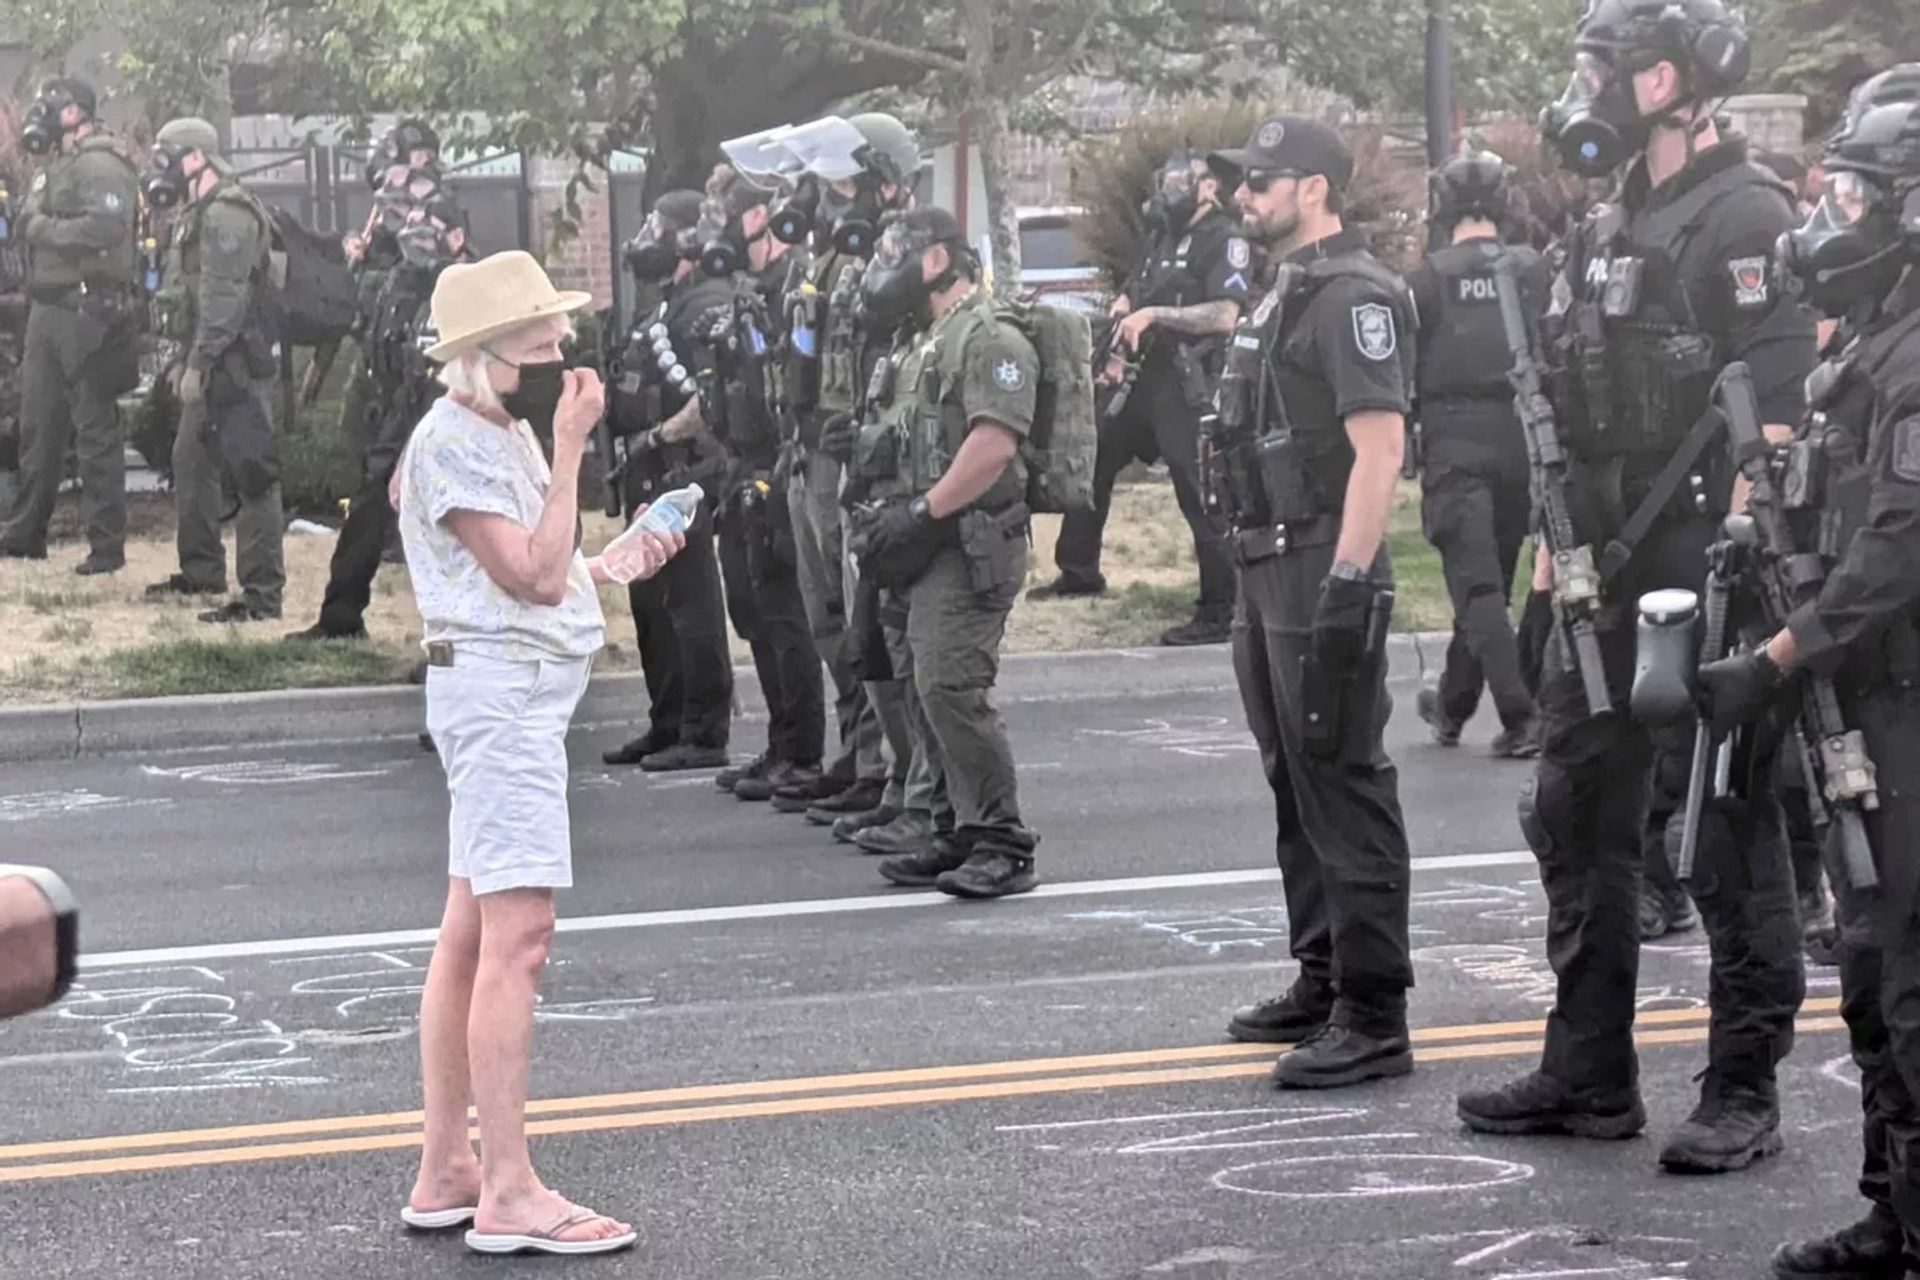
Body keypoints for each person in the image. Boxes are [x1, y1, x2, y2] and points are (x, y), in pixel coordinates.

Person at [1455, 0, 1812, 1174]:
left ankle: (1742, 1085)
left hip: (1705, 560)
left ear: (1669, 81)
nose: (1583, 87)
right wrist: (1559, 545)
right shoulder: (1614, 219)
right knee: (1573, 809)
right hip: (1597, 567)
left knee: (1718, 825)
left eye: (1600, 66)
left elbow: (1775, 410)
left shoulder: (1747, 213)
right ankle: (1588, 1067)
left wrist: (1743, 576)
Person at [396, 249, 680, 1257]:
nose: (563, 350)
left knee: (471, 929)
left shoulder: (487, 428)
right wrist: (570, 452)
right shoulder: (463, 441)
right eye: (543, 336)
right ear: (488, 352)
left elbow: (548, 564)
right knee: (519, 937)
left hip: (509, 696)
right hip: (501, 706)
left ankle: (448, 1166)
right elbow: (526, 573)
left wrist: (613, 558)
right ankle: (509, 1188)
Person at [1691, 88, 1920, 1280]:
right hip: (1864, 694)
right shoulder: (1872, 342)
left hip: (1902, 694)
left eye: (1857, 194)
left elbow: (1898, 550)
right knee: (1875, 969)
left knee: (1910, 963)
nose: (1832, 216)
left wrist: (1778, 657)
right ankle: (1895, 1213)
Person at [1202, 116, 1417, 1088]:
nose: (1244, 196)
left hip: (1317, 563)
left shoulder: (1353, 295)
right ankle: (1323, 973)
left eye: (1262, 181)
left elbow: (1380, 449)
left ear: (1316, 189)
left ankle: (1373, 1010)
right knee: (1294, 777)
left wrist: (1346, 580)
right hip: (1264, 563)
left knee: (1341, 777)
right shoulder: (1287, 289)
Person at [848, 207, 1039, 899]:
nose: (882, 267)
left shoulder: (987, 336)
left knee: (950, 687)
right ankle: (952, 825)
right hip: (918, 547)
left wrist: (926, 512)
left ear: (936, 260)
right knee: (917, 685)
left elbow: (994, 442)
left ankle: (1001, 839)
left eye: (895, 251)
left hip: (967, 542)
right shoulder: (921, 341)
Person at [761, 114, 923, 823]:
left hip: (856, 453)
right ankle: (860, 754)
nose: (830, 198)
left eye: (844, 183)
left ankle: (897, 769)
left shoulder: (906, 252)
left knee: (866, 620)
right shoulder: (821, 257)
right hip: (809, 444)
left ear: (885, 185)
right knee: (826, 612)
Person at [1033, 149, 1248, 646]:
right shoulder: (1161, 234)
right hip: (1142, 376)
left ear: (1208, 188)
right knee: (1095, 458)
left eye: (1179, 181)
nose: (1167, 190)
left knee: (1197, 487)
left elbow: (1224, 315)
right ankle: (1079, 570)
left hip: (1189, 379)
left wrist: (1153, 317)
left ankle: (1221, 607)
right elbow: (1137, 287)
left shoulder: (1225, 239)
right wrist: (1127, 304)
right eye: (1165, 179)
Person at [659, 166, 825, 801]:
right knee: (754, 612)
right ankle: (781, 745)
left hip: (779, 466)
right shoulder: (750, 288)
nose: (713, 231)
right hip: (741, 464)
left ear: (759, 218)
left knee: (786, 614)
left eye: (726, 213)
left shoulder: (795, 286)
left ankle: (803, 752)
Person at [1406, 151, 1545, 758]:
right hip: (1522, 434)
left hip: (1454, 438)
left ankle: (1522, 714)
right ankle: (1453, 705)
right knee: (1489, 585)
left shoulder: (1427, 279)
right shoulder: (1534, 270)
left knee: (1476, 587)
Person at [288, 192, 471, 642]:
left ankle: (456, 638)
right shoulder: (400, 284)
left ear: (458, 236)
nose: (420, 239)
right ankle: (340, 618)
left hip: (451, 417)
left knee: (451, 536)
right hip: (398, 413)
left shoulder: (470, 288)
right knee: (366, 513)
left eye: (432, 228)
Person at [599, 189, 734, 773]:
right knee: (651, 603)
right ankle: (668, 722)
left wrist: (654, 440)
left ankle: (702, 731)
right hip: (646, 475)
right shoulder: (666, 305)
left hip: (681, 473)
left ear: (686, 238)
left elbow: (710, 396)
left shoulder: (705, 303)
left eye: (659, 224)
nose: (646, 235)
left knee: (689, 600)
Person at [142, 117, 287, 624]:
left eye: (170, 155)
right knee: (190, 457)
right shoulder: (197, 212)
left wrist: (198, 365)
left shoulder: (227, 213)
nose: (161, 166)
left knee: (254, 475)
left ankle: (263, 595)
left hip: (236, 362)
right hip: (209, 358)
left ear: (198, 157)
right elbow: (194, 296)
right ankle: (202, 570)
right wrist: (187, 359)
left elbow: (224, 302)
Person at [0, 77, 138, 574]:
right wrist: (36, 222)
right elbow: (28, 213)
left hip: (86, 311)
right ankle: (25, 532)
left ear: (79, 111)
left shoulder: (101, 164)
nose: (45, 111)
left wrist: (43, 229)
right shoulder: (55, 166)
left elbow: (106, 228)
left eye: (56, 104)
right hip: (47, 309)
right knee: (39, 427)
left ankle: (106, 546)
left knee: (94, 428)